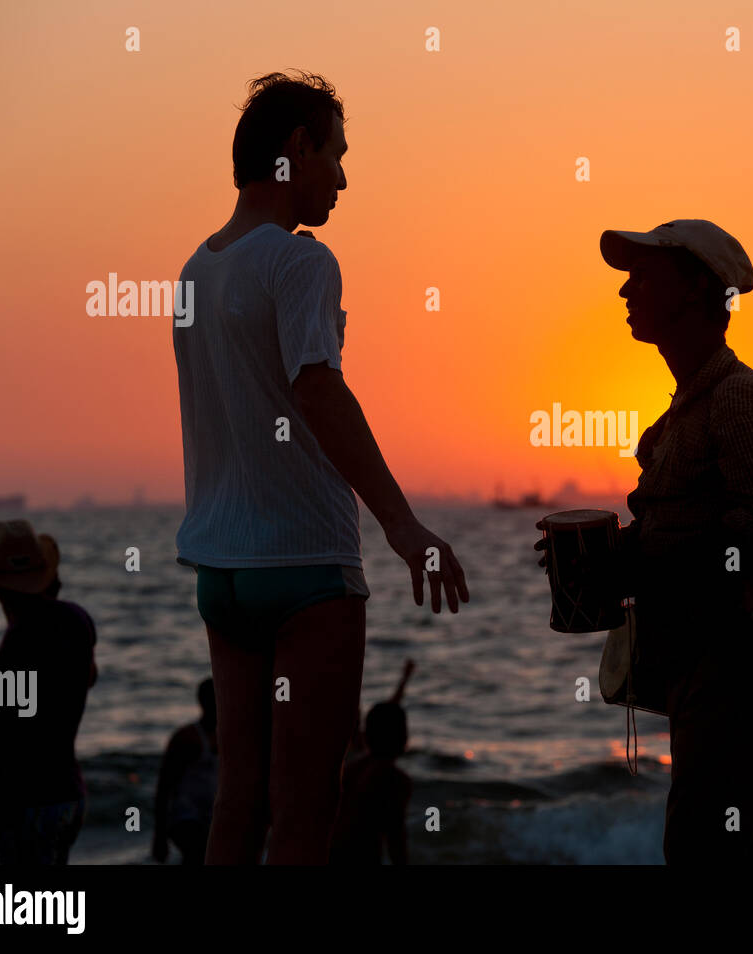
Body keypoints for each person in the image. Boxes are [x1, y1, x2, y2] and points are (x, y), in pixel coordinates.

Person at [173, 70, 468, 865]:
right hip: (306, 567)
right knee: (307, 809)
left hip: (222, 572)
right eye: (336, 155)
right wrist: (403, 526)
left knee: (239, 796)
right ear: (297, 149)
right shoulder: (301, 262)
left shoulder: (194, 272)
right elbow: (316, 388)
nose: (343, 176)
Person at [592, 219, 753, 863]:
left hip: (741, 662)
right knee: (704, 839)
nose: (625, 291)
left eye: (642, 276)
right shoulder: (686, 408)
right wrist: (623, 557)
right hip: (701, 662)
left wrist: (643, 557)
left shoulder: (739, 399)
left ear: (693, 289)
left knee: (705, 839)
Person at [0, 520, 98, 865]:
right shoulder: (77, 620)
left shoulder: (18, 646)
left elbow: (18, 755)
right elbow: (86, 678)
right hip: (69, 795)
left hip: (31, 804)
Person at [330, 660, 414, 865]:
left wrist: (405, 679)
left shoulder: (348, 770)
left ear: (367, 736)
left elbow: (388, 714)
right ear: (404, 739)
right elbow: (396, 841)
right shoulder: (394, 780)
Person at [153, 678, 218, 865]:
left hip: (213, 817)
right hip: (186, 818)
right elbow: (163, 788)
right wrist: (160, 837)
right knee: (197, 856)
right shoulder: (186, 739)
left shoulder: (229, 736)